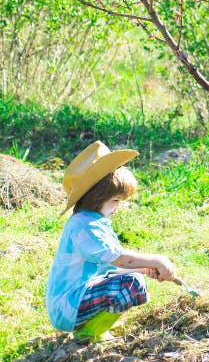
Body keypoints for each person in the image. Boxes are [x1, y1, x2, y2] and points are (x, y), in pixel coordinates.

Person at [46, 141, 178, 342]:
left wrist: (144, 269)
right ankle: (89, 330)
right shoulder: (85, 225)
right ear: (96, 196)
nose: (117, 207)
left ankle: (97, 322)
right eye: (115, 201)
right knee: (130, 284)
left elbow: (108, 268)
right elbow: (121, 260)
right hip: (67, 306)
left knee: (134, 279)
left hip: (77, 300)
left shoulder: (94, 222)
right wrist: (156, 260)